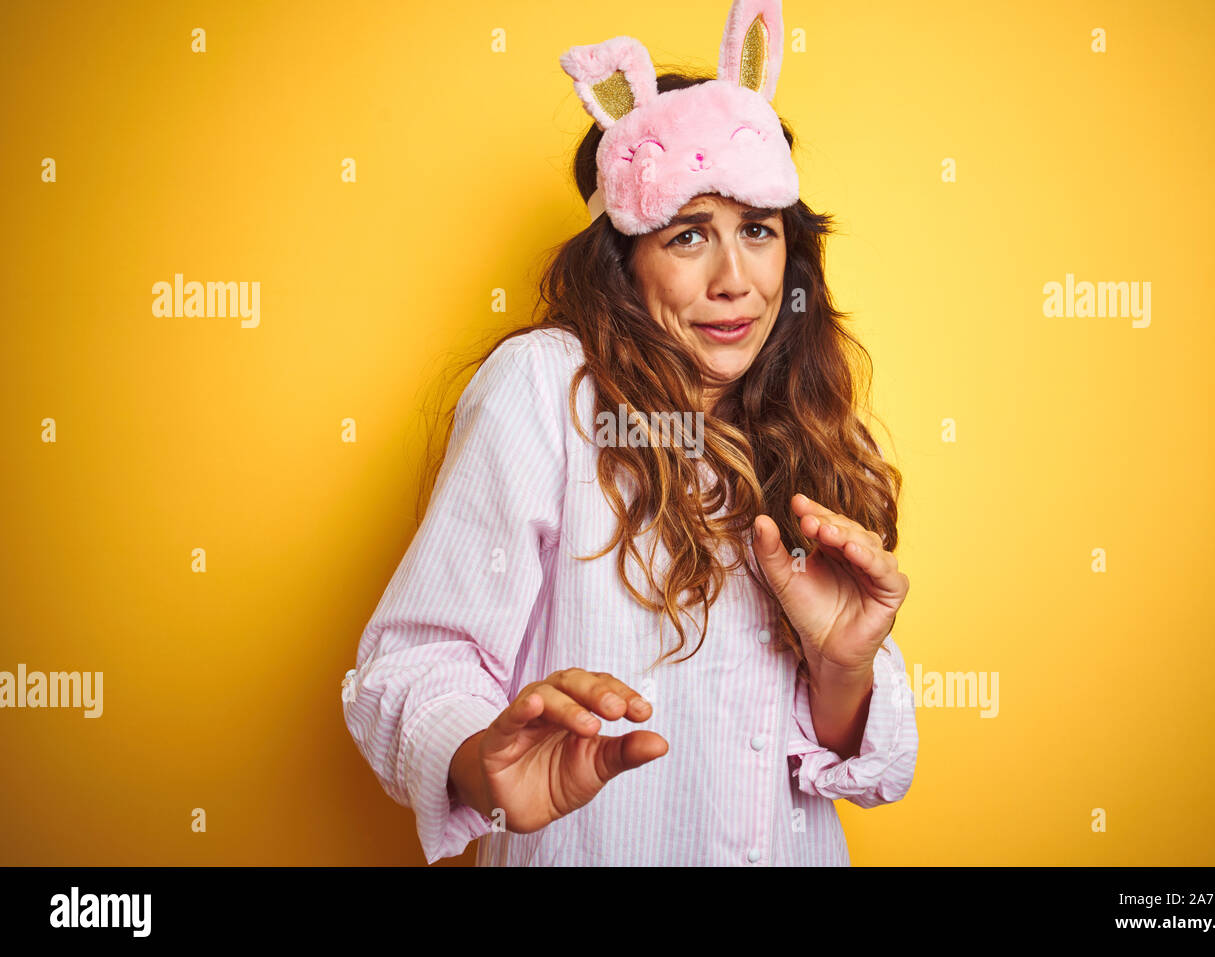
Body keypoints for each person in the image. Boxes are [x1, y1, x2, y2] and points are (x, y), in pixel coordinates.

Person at [342, 0, 918, 866]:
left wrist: (841, 666)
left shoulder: (802, 422)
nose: (736, 280)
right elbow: (412, 665)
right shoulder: (550, 389)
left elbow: (849, 759)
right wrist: (478, 760)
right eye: (689, 235)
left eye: (756, 231)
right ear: (625, 259)